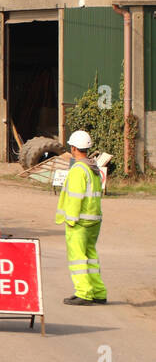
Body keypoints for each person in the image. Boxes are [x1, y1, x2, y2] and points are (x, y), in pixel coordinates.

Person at [56, 129, 106, 305]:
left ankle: (84, 293)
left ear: (74, 148)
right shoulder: (94, 168)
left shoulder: (78, 170)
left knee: (77, 258)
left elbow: (76, 198)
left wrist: (70, 219)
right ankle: (98, 292)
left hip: (79, 222)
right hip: (94, 220)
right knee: (90, 256)